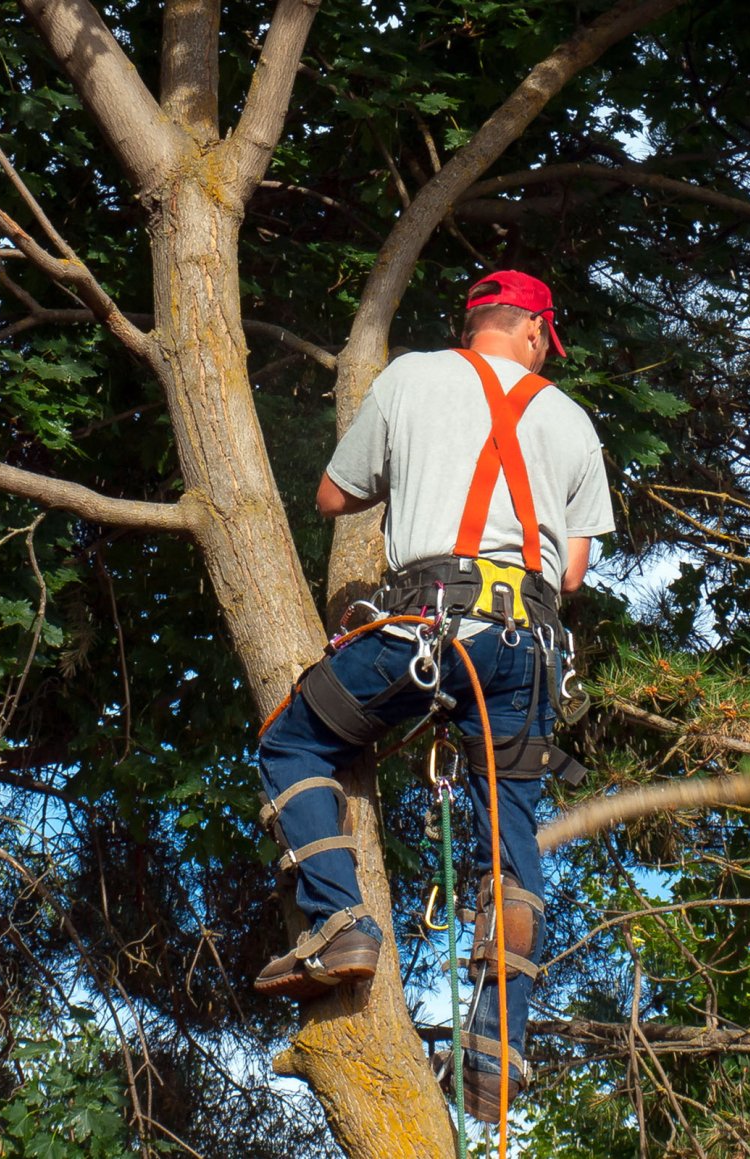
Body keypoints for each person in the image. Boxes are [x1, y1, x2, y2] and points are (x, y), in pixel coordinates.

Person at [252, 270, 613, 1123]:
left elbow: (333, 495)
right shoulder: (572, 420)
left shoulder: (410, 376)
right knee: (509, 845)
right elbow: (571, 573)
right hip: (525, 650)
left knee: (295, 741)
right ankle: (495, 1052)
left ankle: (340, 923)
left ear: (476, 321)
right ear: (534, 331)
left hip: (426, 626)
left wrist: (417, 474)